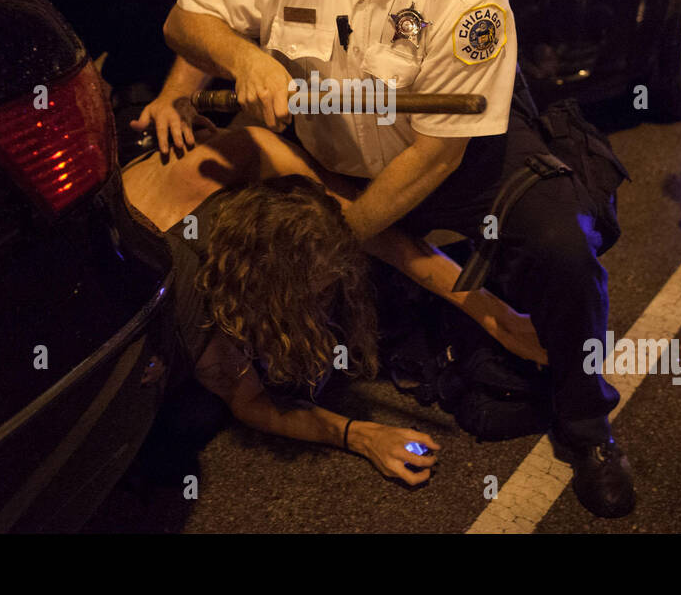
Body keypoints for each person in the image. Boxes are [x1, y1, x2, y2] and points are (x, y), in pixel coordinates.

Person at [151, 0, 636, 518]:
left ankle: (586, 420)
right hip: (327, 149)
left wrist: (337, 238)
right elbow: (186, 22)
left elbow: (434, 156)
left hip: (452, 156)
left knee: (562, 248)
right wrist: (241, 58)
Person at [121, 122, 546, 485]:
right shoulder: (180, 300)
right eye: (311, 294)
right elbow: (248, 401)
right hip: (128, 310)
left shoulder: (251, 152)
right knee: (186, 424)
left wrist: (494, 314)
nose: (321, 304)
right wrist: (363, 435)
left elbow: (377, 232)